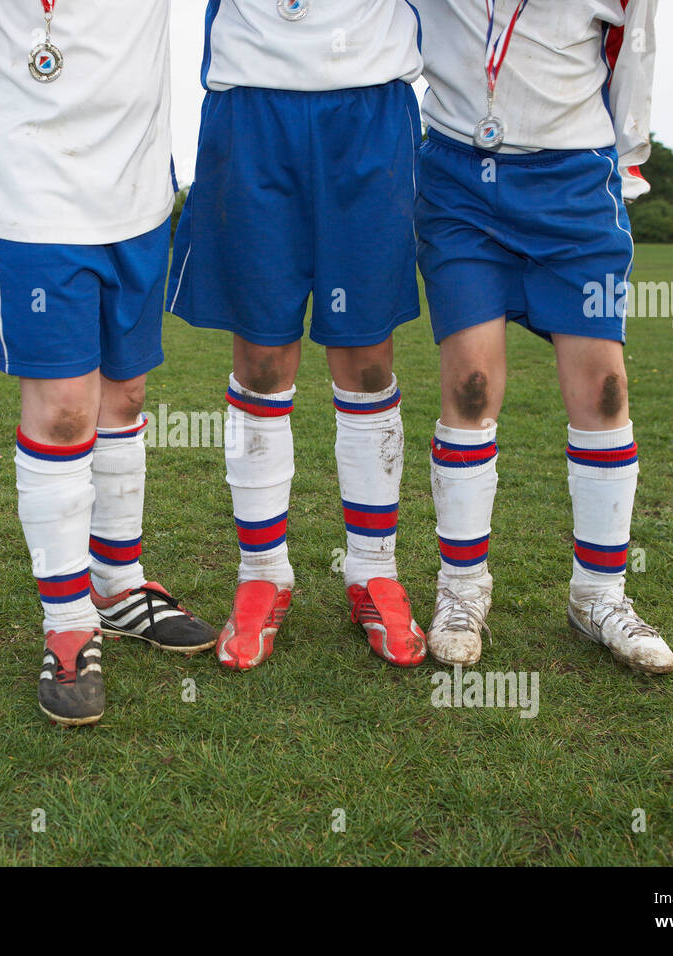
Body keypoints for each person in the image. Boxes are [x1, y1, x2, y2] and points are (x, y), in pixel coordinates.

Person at [0, 0, 214, 726]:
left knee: (125, 396)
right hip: (28, 191)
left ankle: (117, 586)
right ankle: (68, 619)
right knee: (66, 405)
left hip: (135, 191)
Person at [412, 0, 673, 674]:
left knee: (604, 388)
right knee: (470, 384)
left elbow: (633, 49)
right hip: (459, 177)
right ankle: (462, 590)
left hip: (576, 182)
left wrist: (630, 157)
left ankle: (599, 596)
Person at [167, 0, 428, 670]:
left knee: (367, 357)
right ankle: (262, 573)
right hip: (252, 103)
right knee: (260, 356)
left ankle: (373, 569)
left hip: (368, 105)